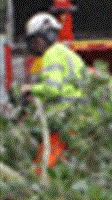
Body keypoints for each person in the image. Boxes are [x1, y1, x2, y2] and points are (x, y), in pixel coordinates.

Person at [20, 12, 89, 167]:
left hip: (64, 119)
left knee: (46, 165)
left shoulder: (51, 54)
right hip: (78, 117)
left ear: (48, 36)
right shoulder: (66, 53)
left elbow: (53, 89)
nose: (34, 46)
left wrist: (30, 89)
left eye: (36, 41)